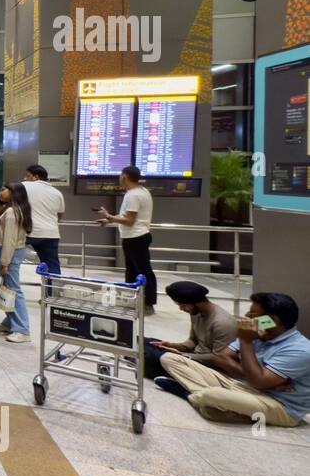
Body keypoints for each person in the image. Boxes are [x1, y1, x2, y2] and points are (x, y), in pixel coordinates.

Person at [158, 293, 310, 427]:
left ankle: (192, 395)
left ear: (272, 320)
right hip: (242, 386)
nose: (247, 317)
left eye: (252, 314)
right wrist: (258, 377)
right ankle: (207, 402)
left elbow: (258, 382)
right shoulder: (257, 331)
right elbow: (221, 358)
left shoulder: (300, 349)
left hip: (279, 406)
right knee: (170, 358)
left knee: (214, 395)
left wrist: (246, 342)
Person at [141, 281, 239, 380]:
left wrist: (183, 355)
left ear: (195, 302)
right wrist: (171, 345)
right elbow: (193, 341)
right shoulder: (196, 312)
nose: (181, 309)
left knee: (150, 358)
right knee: (145, 342)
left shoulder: (223, 323)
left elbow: (219, 358)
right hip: (193, 356)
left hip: (207, 366)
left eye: (183, 305)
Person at [97, 164, 157, 314]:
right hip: (135, 236)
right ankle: (133, 300)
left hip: (135, 237)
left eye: (120, 175)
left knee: (142, 271)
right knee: (132, 271)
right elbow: (127, 217)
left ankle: (148, 303)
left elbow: (130, 220)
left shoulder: (133, 195)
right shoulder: (141, 191)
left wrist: (110, 217)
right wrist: (109, 219)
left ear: (124, 176)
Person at [0, 182, 33, 344]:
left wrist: (4, 262)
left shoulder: (11, 212)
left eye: (4, 189)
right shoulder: (14, 209)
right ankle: (10, 321)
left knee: (13, 289)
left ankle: (22, 329)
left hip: (8, 252)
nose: (1, 192)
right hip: (10, 251)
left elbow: (9, 239)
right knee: (7, 287)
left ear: (13, 193)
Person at [22, 164, 64, 292]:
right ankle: (52, 296)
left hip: (28, 232)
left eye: (28, 175)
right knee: (52, 265)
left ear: (36, 176)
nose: (25, 178)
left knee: (10, 261)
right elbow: (59, 214)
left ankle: (9, 291)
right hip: (51, 234)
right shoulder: (57, 193)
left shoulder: (25, 186)